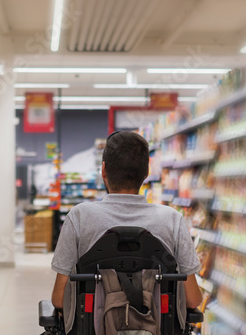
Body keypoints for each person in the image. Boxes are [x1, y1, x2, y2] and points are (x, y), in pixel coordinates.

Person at [50, 130, 203, 310]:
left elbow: (59, 300)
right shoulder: (172, 220)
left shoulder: (79, 217)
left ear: (103, 171)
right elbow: (193, 300)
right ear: (146, 173)